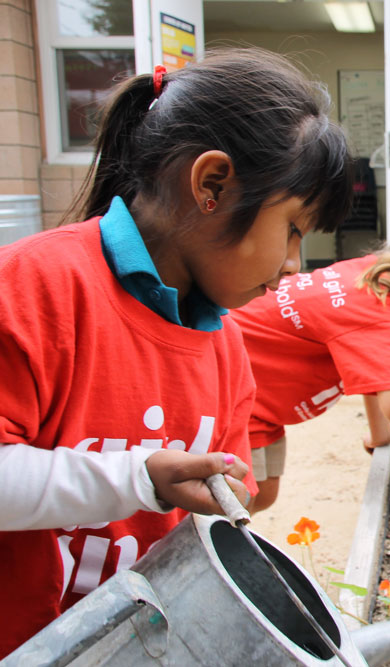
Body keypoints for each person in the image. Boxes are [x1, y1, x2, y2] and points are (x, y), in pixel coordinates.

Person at [0, 48, 353, 657]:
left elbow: (214, 523)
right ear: (211, 185)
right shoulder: (35, 289)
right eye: (293, 228)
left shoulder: (226, 347)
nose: (293, 265)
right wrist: (139, 479)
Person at [231, 222, 390, 512]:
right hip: (233, 387)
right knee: (241, 498)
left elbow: (373, 374)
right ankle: (199, 550)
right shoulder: (380, 317)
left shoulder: (367, 275)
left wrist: (381, 436)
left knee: (263, 495)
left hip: (259, 392)